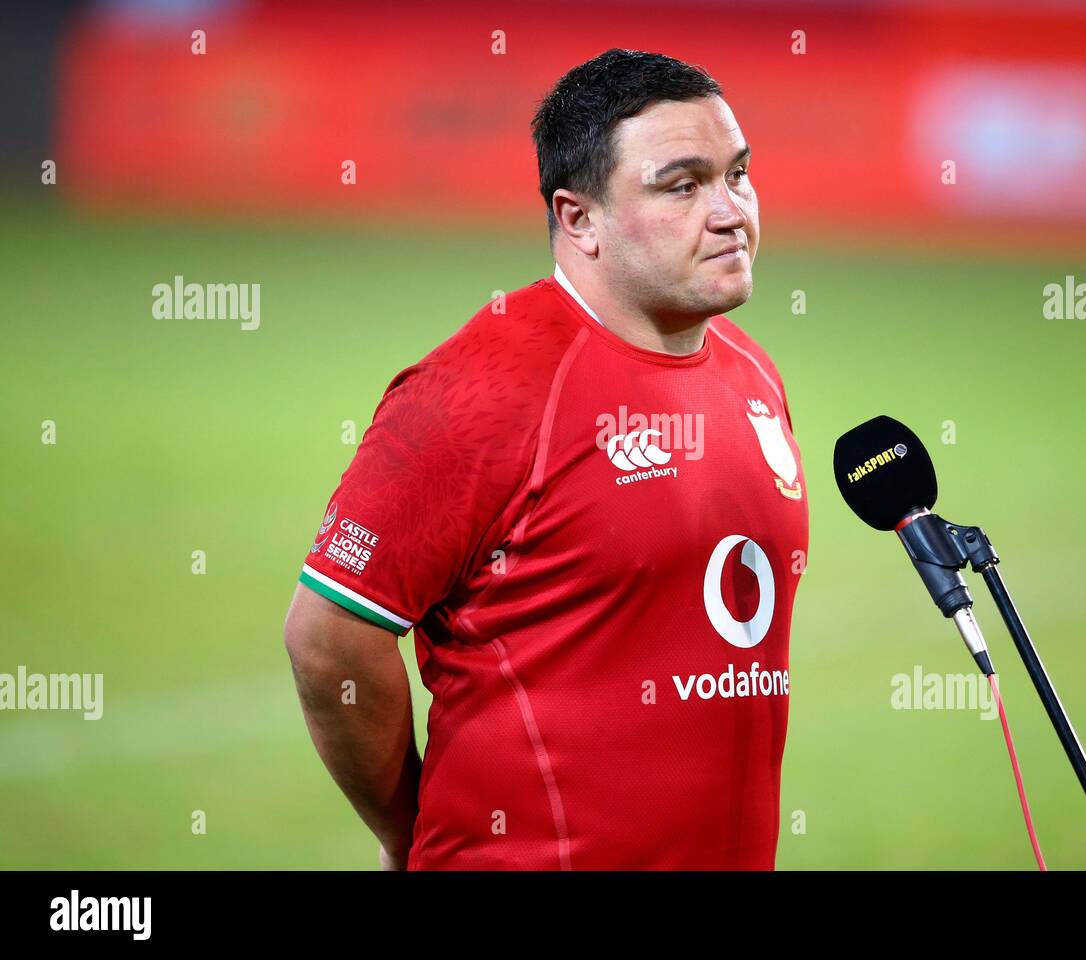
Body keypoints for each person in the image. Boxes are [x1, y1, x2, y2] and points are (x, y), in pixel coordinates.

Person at [283, 48, 809, 870]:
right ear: (578, 220)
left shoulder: (753, 376)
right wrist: (408, 833)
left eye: (737, 174)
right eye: (682, 185)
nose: (730, 210)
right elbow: (329, 638)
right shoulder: (479, 391)